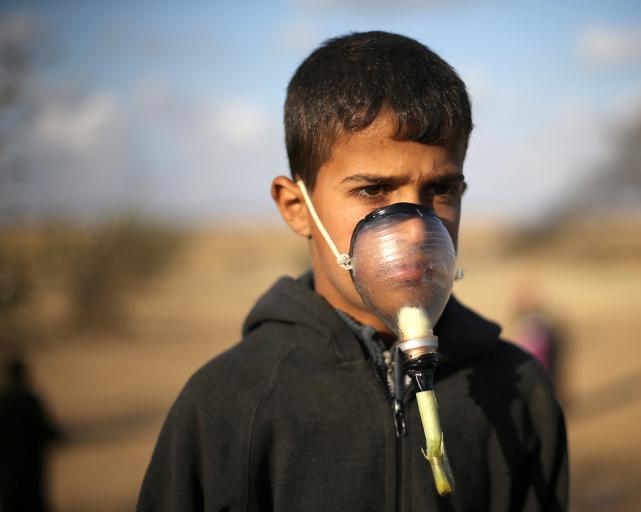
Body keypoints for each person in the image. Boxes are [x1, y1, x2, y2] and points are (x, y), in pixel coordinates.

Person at [137, 31, 568, 511]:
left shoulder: (518, 388)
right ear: (296, 206)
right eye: (373, 191)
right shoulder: (230, 404)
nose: (412, 230)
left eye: (441, 189)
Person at [0, 358, 61, 512]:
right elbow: (47, 430)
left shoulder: (7, 401)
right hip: (26, 468)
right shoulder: (28, 401)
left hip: (13, 470)